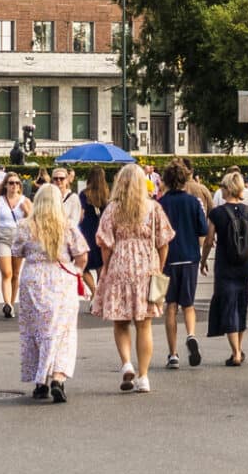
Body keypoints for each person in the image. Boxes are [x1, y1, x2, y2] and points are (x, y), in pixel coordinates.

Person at [91, 162, 172, 393]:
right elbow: (164, 242)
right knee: (144, 324)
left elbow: (105, 243)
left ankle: (126, 363)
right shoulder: (153, 208)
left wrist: (107, 267)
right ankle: (144, 376)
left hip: (120, 262)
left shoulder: (112, 209)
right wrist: (158, 267)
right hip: (147, 264)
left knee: (121, 320)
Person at [16, 183, 88, 401]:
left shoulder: (25, 226)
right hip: (61, 280)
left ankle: (41, 382)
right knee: (63, 332)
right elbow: (82, 255)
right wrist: (77, 271)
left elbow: (17, 252)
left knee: (36, 331)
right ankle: (58, 377)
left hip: (33, 280)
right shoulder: (67, 226)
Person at [201, 171, 248, 367]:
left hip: (225, 264)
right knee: (241, 304)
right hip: (245, 264)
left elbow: (209, 240)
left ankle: (235, 353)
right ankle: (239, 349)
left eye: (222, 187)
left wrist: (203, 260)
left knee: (228, 305)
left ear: (227, 189)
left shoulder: (217, 213)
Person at [155, 161, 209, 369]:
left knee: (170, 305)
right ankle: (191, 334)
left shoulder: (161, 204)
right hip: (189, 257)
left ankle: (173, 354)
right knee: (188, 304)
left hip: (167, 259)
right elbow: (203, 230)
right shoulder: (194, 202)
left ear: (166, 180)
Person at [0, 173, 32, 318]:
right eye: (11, 183)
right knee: (6, 273)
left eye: (17, 183)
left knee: (15, 273)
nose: (14, 185)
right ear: (6, 185)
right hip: (2, 237)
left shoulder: (25, 201)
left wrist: (27, 212)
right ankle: (7, 303)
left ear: (20, 186)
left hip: (19, 238)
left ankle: (11, 305)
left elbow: (33, 223)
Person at [79, 167, 109, 287]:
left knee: (83, 266)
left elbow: (81, 214)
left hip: (87, 231)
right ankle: (100, 291)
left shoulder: (84, 194)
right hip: (101, 229)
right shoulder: (106, 194)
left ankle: (93, 291)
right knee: (100, 264)